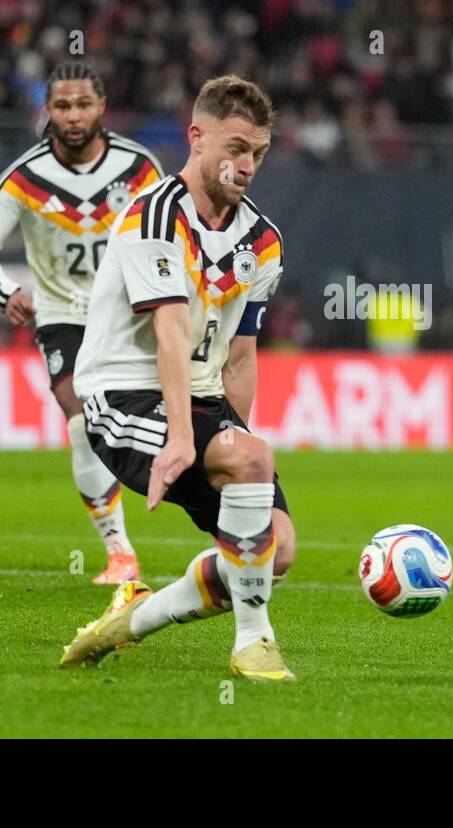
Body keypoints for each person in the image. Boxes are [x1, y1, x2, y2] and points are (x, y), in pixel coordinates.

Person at [60, 75, 295, 682]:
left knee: (276, 552)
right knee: (250, 488)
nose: (247, 165)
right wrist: (187, 441)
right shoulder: (155, 215)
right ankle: (254, 643)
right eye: (237, 147)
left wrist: (241, 451)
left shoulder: (262, 241)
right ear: (196, 136)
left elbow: (240, 357)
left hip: (201, 400)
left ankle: (133, 619)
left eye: (259, 154)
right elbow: (169, 331)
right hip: (123, 394)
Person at [0, 61, 165, 583]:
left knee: (148, 426)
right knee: (81, 422)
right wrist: (4, 292)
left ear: (101, 107)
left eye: (82, 105)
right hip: (63, 317)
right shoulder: (26, 176)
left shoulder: (139, 167)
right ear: (47, 111)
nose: (73, 116)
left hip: (128, 314)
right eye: (61, 106)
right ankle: (120, 552)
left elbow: (169, 232)